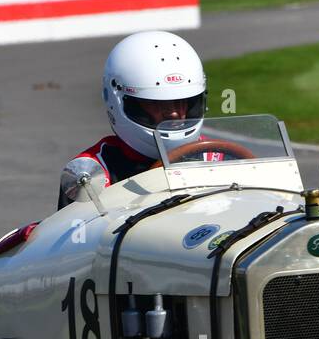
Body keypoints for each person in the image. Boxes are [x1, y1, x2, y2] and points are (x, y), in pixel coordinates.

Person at [58, 30, 211, 210]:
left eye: (182, 103)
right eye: (157, 104)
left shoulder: (219, 157)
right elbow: (78, 236)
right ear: (119, 101)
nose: (174, 114)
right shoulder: (91, 173)